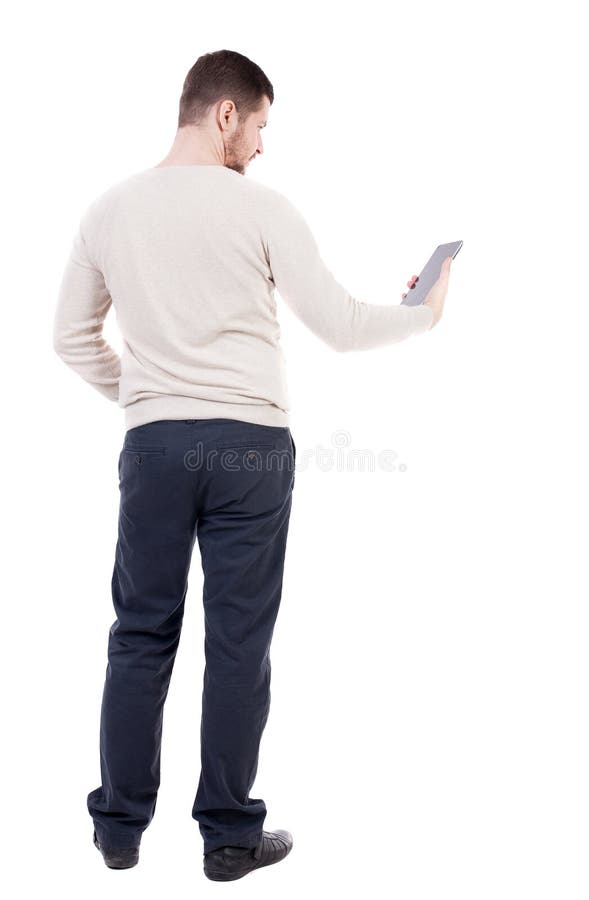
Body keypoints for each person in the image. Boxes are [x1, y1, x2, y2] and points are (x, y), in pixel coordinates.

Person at [52, 48, 452, 881]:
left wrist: (150, 400)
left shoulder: (107, 210)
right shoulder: (261, 208)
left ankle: (119, 832)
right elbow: (340, 325)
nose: (263, 144)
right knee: (238, 644)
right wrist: (423, 315)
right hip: (249, 448)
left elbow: (69, 339)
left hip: (156, 447)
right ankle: (229, 839)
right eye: (260, 123)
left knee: (138, 635)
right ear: (224, 113)